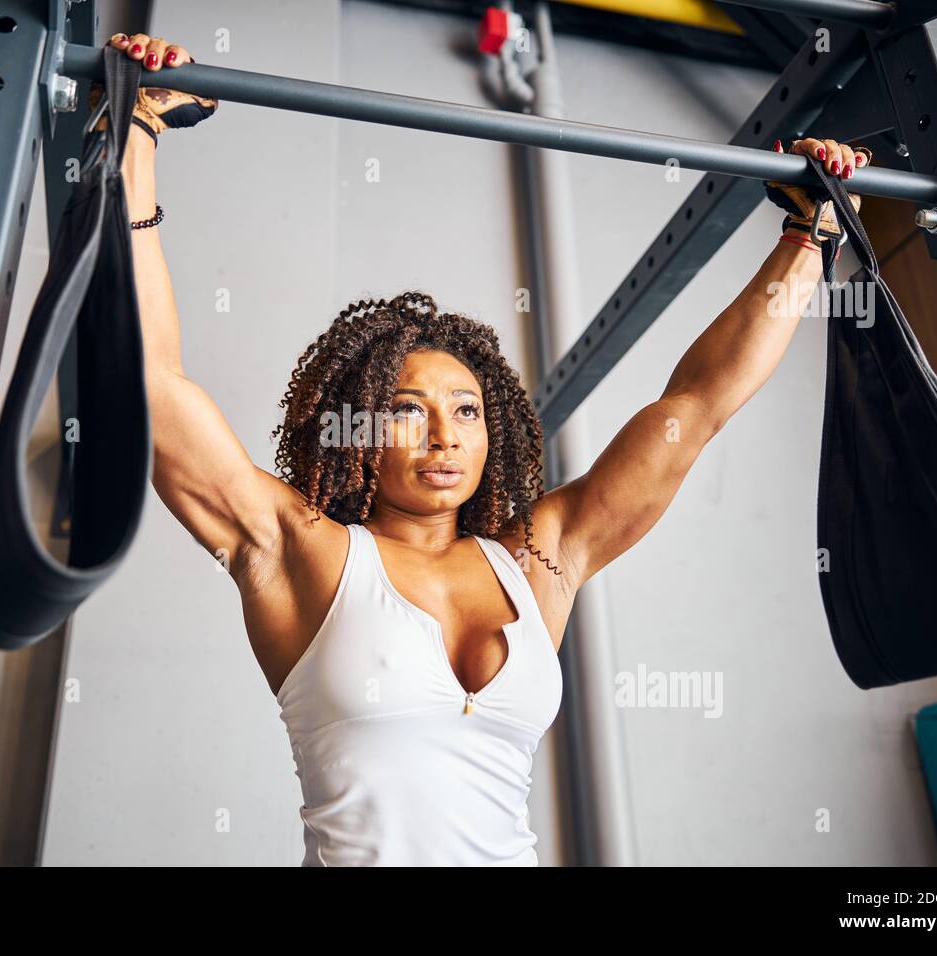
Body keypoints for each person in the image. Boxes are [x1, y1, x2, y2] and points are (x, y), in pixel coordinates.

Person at [105, 31, 869, 865]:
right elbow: (155, 383)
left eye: (467, 410)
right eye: (407, 409)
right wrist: (136, 129)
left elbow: (697, 405)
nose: (444, 435)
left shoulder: (542, 558)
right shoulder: (297, 549)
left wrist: (810, 236)